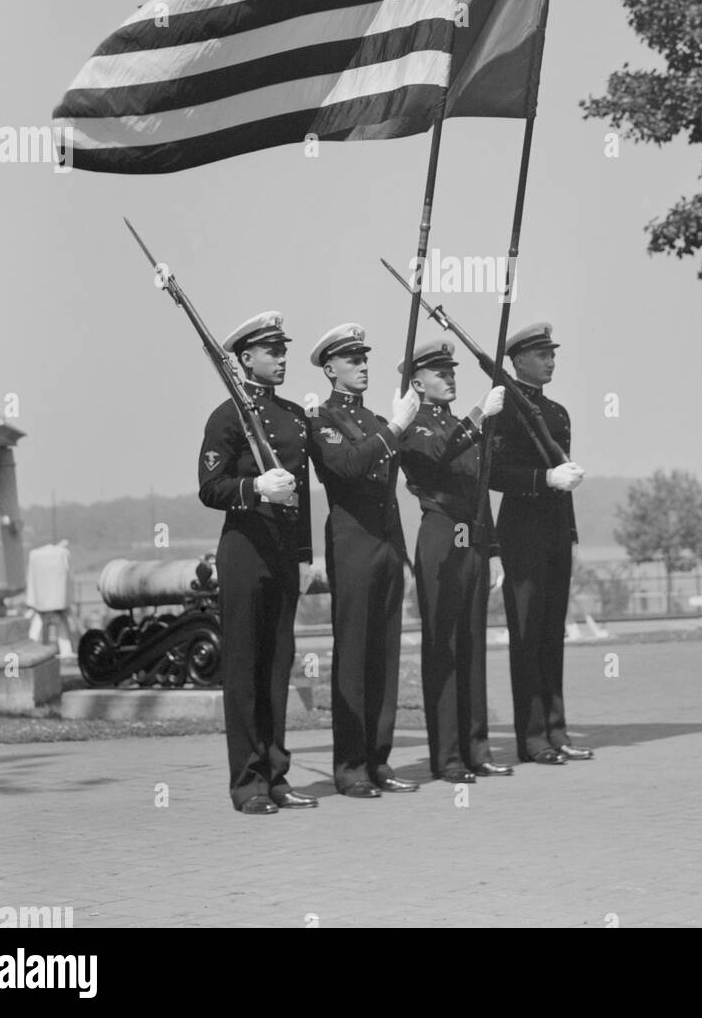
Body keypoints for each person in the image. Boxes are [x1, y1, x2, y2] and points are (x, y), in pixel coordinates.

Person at [198, 312, 318, 816]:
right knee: (245, 666)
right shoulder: (227, 417)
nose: (282, 358)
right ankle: (247, 782)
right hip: (245, 550)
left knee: (278, 664)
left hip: (283, 552)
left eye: (283, 350)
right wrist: (253, 489)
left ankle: (276, 773)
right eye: (272, 351)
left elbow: (303, 490)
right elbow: (209, 488)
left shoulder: (292, 416)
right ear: (245, 358)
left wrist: (305, 554)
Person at [308, 323, 420, 799]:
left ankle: (379, 758)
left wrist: (402, 555)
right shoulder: (322, 420)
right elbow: (349, 468)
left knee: (385, 657)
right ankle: (351, 766)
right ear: (331, 368)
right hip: (351, 548)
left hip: (385, 549)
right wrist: (396, 428)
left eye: (365, 358)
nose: (363, 365)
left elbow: (390, 494)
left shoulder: (376, 420)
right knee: (353, 656)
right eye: (353, 360)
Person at [397, 338, 511, 784]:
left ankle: (475, 749)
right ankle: (446, 757)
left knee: (472, 645)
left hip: (471, 536)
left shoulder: (461, 424)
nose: (450, 378)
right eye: (440, 373)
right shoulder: (415, 424)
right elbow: (441, 450)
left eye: (452, 371)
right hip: (441, 533)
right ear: (418, 382)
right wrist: (480, 413)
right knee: (443, 646)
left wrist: (494, 549)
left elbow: (479, 488)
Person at [489, 323, 592, 765]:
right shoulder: (504, 410)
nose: (551, 360)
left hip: (553, 532)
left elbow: (564, 482)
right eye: (542, 354)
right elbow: (491, 474)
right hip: (521, 532)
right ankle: (532, 737)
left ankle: (557, 729)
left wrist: (568, 534)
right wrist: (542, 479)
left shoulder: (558, 412)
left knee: (552, 634)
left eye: (553, 353)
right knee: (527, 634)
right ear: (518, 361)